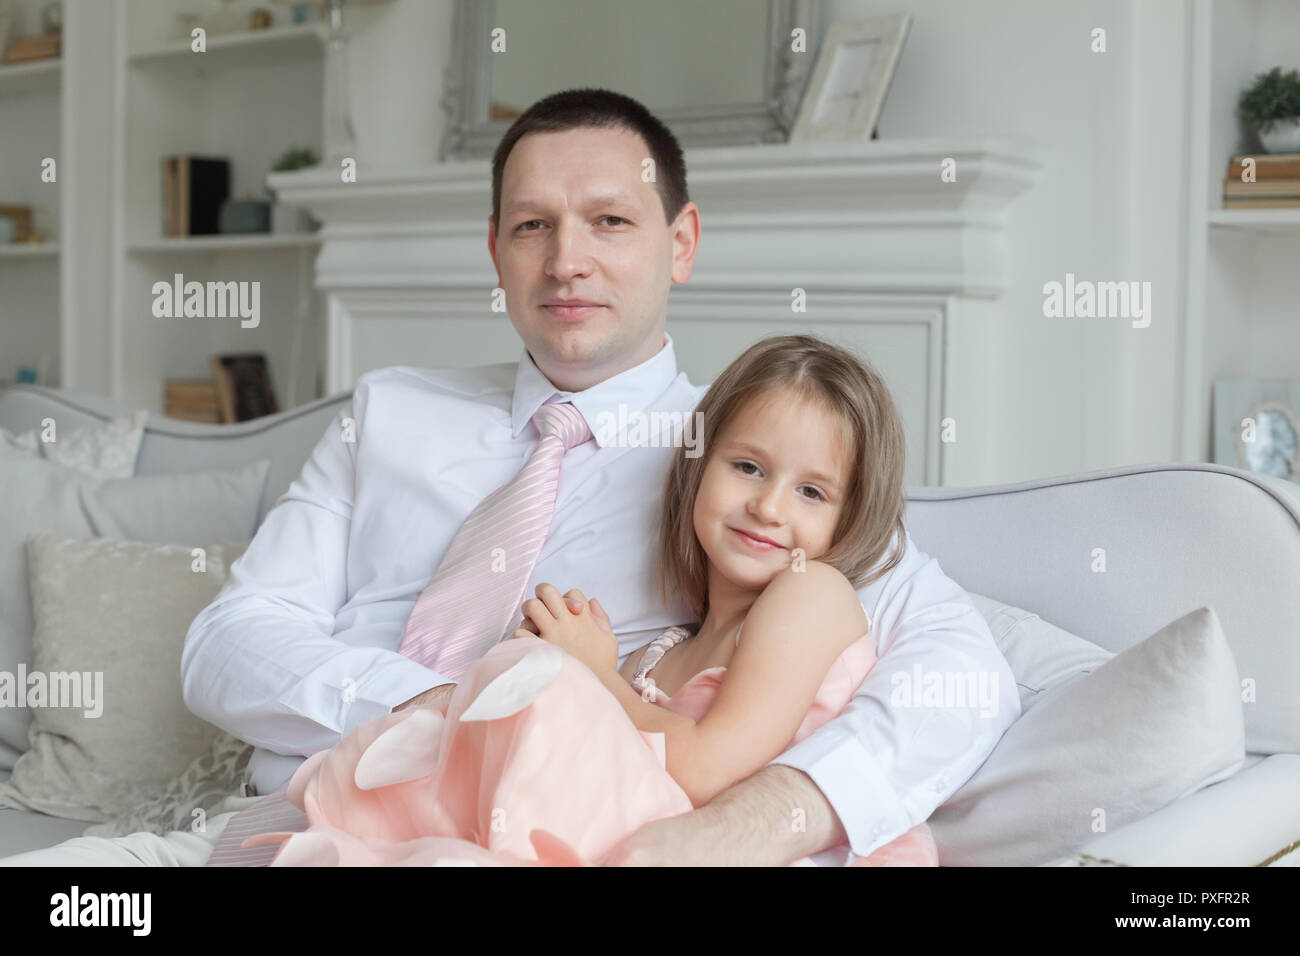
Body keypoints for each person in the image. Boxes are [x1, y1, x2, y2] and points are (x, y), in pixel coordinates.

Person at [0, 87, 1018, 867]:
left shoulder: (748, 464)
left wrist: (766, 817)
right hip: (282, 814)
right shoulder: (388, 412)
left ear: (682, 243)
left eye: (610, 222)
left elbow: (960, 670)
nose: (566, 259)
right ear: (497, 252)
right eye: (533, 225)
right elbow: (226, 644)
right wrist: (454, 707)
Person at [238, 334, 940, 866]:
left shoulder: (809, 594)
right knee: (494, 702)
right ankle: (301, 833)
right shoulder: (675, 643)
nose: (767, 505)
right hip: (622, 834)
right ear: (698, 466)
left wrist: (591, 676)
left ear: (849, 519)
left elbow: (702, 770)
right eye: (748, 467)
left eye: (811, 491)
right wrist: (573, 662)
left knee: (529, 696)